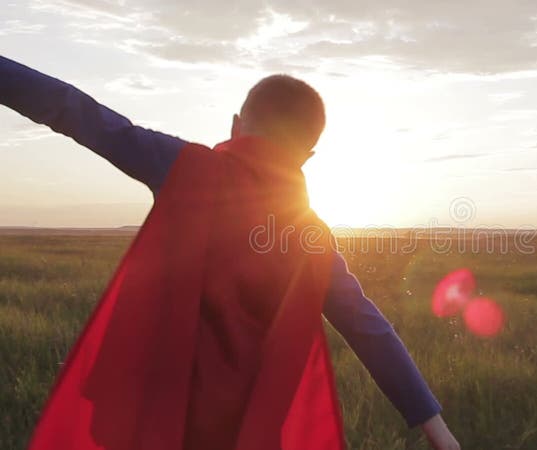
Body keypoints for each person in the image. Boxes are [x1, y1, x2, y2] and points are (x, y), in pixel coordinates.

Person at [0, 55, 460, 450]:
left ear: (237, 126)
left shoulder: (184, 166)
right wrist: (434, 424)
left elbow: (78, 111)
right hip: (244, 429)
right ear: (308, 156)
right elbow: (366, 324)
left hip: (154, 414)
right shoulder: (309, 235)